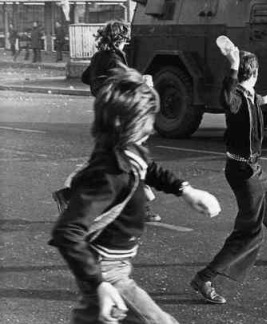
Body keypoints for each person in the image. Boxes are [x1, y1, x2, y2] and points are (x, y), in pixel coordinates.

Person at [50, 68, 221, 323]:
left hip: (116, 268)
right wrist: (99, 284)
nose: (151, 128)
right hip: (107, 272)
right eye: (146, 121)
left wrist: (186, 191)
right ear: (124, 124)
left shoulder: (128, 150)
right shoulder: (110, 173)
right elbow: (67, 232)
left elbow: (150, 169)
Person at [190, 47, 267, 304]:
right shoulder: (235, 97)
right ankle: (204, 278)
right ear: (255, 73)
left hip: (252, 168)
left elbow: (253, 100)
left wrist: (265, 100)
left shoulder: (249, 95)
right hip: (242, 172)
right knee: (249, 232)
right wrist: (232, 67)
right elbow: (228, 100)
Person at [81, 20, 161, 222]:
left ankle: (77, 200)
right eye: (125, 38)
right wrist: (144, 81)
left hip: (105, 116)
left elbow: (85, 78)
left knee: (113, 164)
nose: (127, 42)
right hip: (120, 116)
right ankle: (140, 208)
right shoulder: (116, 57)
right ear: (120, 39)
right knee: (132, 163)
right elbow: (126, 80)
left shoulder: (99, 57)